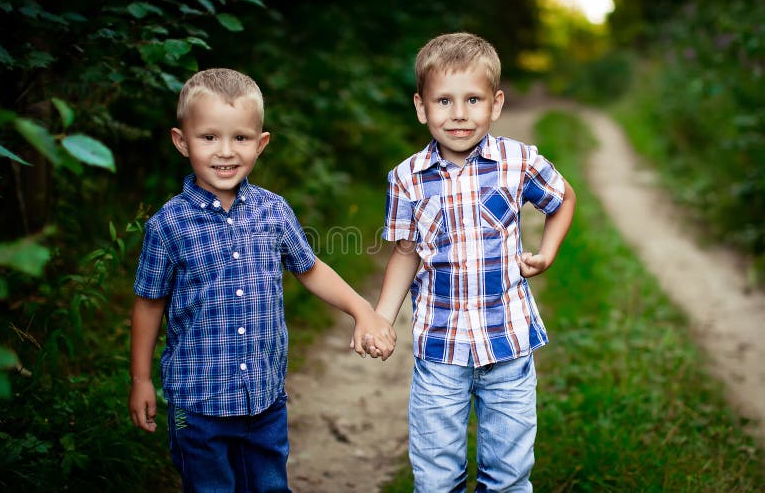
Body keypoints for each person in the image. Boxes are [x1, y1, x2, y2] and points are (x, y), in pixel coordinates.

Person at [128, 68, 397, 492]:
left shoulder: (273, 211)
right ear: (182, 141)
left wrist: (361, 309)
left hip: (264, 399)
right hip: (197, 406)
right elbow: (148, 302)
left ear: (261, 143)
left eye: (240, 138)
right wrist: (141, 379)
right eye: (209, 137)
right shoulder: (168, 225)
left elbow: (310, 269)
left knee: (269, 486)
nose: (225, 152)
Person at [369, 32, 576, 491]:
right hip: (439, 346)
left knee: (508, 472)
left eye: (472, 100)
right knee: (436, 474)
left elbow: (563, 198)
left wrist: (547, 251)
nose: (458, 114)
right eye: (443, 101)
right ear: (421, 107)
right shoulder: (406, 179)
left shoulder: (517, 162)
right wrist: (382, 316)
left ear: (496, 104)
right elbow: (405, 252)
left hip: (508, 344)